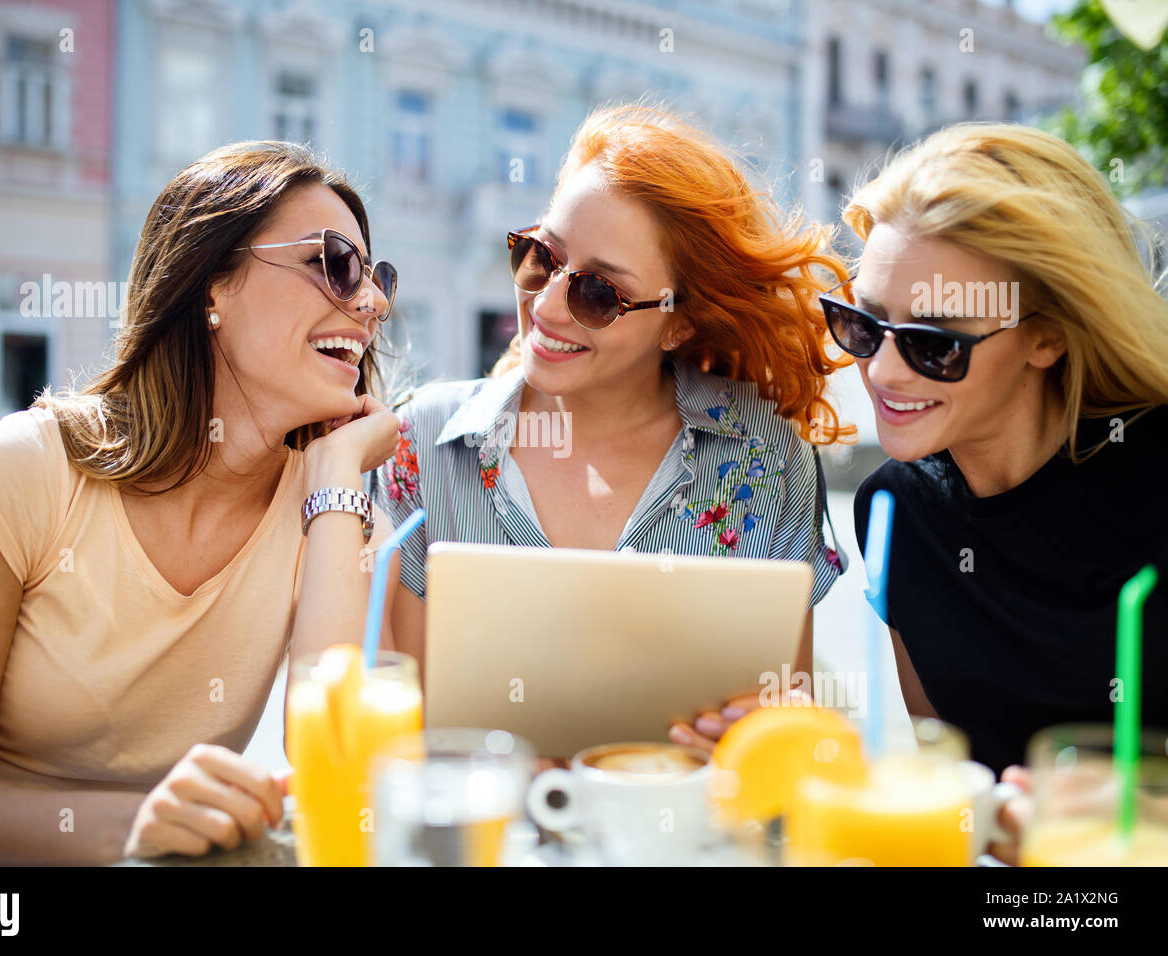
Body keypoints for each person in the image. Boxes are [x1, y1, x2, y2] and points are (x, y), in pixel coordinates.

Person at [0, 142, 403, 865]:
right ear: (214, 284)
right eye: (334, 262)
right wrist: (131, 825)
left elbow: (332, 766)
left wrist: (339, 470)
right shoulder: (19, 474)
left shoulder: (336, 511)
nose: (369, 301)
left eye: (376, 277)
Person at [373, 105, 855, 750]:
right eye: (543, 257)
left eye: (598, 293)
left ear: (680, 322)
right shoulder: (421, 442)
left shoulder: (764, 452)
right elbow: (402, 726)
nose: (544, 305)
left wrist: (762, 736)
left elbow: (783, 721)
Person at [840, 123, 1168, 861]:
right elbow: (952, 769)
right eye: (863, 326)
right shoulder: (894, 514)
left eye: (934, 342)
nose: (885, 374)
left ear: (1046, 338)